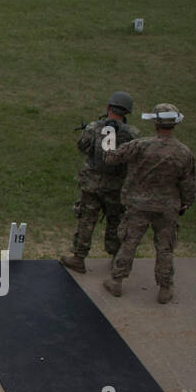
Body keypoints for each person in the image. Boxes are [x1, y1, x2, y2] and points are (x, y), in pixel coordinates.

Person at [102, 104, 196, 304]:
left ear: (155, 122)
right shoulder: (184, 153)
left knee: (129, 242)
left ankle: (116, 281)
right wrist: (185, 204)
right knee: (165, 248)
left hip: (138, 204)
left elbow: (111, 158)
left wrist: (108, 139)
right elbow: (188, 185)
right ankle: (164, 288)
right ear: (176, 123)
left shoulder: (141, 146)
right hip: (167, 207)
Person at [60, 91, 138, 273]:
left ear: (109, 107)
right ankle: (116, 259)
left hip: (92, 184)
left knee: (86, 220)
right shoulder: (133, 133)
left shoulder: (94, 127)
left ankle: (78, 257)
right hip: (117, 186)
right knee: (116, 222)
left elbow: (82, 146)